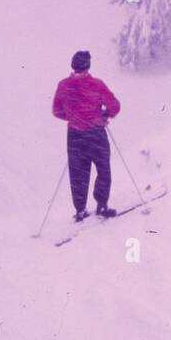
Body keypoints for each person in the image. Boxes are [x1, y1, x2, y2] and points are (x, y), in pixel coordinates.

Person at [51, 50, 122, 221]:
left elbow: (57, 110)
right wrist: (104, 115)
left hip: (75, 135)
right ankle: (102, 205)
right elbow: (115, 106)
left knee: (78, 173)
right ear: (88, 66)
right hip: (96, 134)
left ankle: (80, 210)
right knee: (103, 169)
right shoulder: (97, 85)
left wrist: (74, 117)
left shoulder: (63, 85)